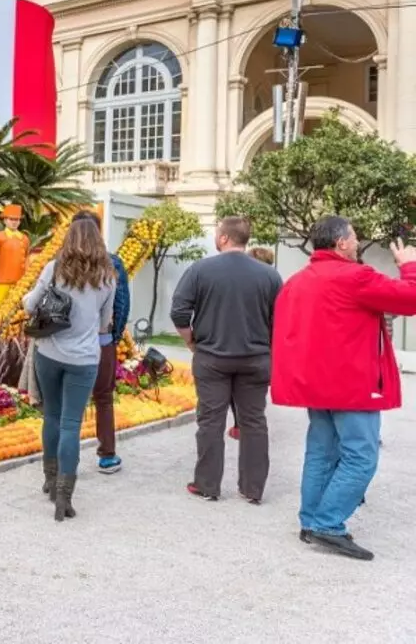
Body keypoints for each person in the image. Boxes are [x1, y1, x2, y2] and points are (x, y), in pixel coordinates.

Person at [272, 216, 416, 560]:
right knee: (361, 456)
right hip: (351, 386)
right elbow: (410, 300)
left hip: (318, 386)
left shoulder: (298, 281)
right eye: (354, 237)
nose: (357, 242)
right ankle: (328, 524)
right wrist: (409, 266)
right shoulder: (355, 277)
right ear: (341, 243)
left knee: (320, 453)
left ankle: (311, 522)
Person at [170, 217, 282, 503]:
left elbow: (179, 312)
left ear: (223, 238)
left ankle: (207, 485)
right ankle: (253, 489)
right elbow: (280, 318)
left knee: (210, 420)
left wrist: (190, 340)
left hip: (211, 357)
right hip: (256, 359)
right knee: (254, 422)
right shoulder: (269, 275)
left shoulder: (200, 270)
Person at [23, 216, 115, 522]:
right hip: (85, 359)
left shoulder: (54, 268)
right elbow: (104, 324)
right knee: (71, 424)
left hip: (49, 352)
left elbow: (30, 304)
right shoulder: (107, 276)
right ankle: (65, 495)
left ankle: (50, 480)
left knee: (51, 415)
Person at [71, 209, 130, 474]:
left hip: (68, 344)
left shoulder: (60, 263)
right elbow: (122, 305)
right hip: (101, 341)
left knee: (68, 401)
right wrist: (112, 338)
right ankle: (107, 455)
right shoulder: (113, 263)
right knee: (103, 399)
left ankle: (65, 458)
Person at [226, 246, 278, 441]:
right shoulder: (273, 281)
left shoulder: (237, 282)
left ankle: (240, 425)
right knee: (255, 391)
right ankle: (250, 425)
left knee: (233, 388)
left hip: (233, 342)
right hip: (260, 347)